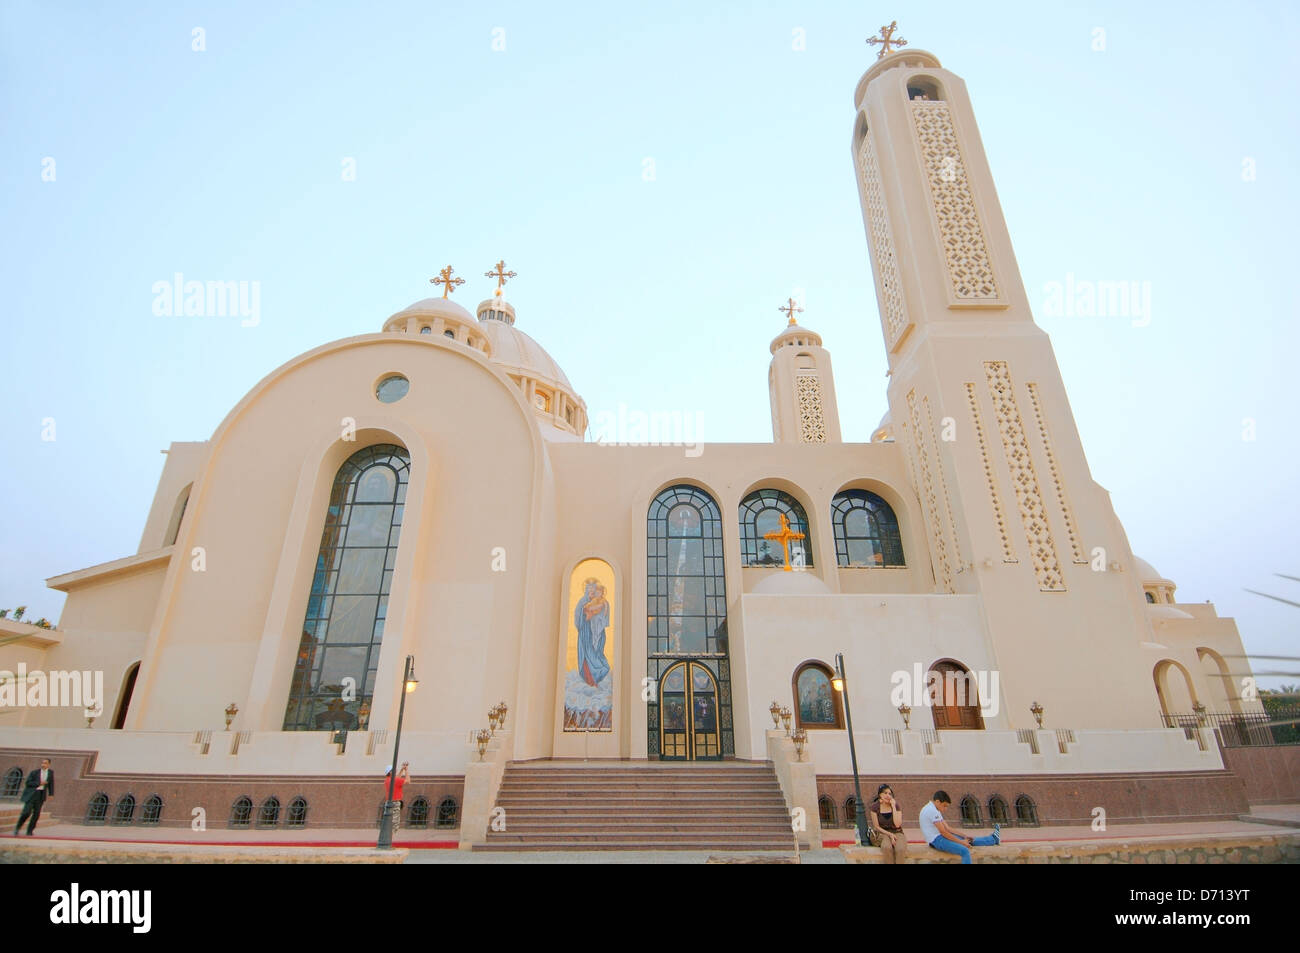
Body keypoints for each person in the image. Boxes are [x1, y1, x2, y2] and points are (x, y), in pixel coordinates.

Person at [917, 790, 1000, 864]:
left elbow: (948, 828)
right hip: (936, 841)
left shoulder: (934, 809)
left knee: (967, 840)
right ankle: (992, 839)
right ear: (938, 802)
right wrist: (961, 842)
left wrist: (964, 836)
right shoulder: (931, 811)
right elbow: (944, 832)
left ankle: (993, 839)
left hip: (940, 837)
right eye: (944, 806)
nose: (945, 809)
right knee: (965, 851)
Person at [868, 783, 909, 863]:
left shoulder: (896, 806)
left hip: (897, 832)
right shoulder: (875, 807)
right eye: (885, 793)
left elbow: (897, 824)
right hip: (883, 833)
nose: (888, 795)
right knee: (886, 847)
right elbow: (876, 826)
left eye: (890, 794)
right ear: (880, 795)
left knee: (900, 849)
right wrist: (890, 835)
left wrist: (893, 806)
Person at [14, 758, 54, 836]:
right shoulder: (34, 772)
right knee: (26, 812)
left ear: (49, 764)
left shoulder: (50, 773)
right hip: (32, 795)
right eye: (42, 763)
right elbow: (28, 783)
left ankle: (29, 831)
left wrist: (51, 794)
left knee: (36, 814)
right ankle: (17, 828)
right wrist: (39, 783)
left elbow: (51, 783)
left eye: (45, 763)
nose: (43, 765)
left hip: (40, 795)